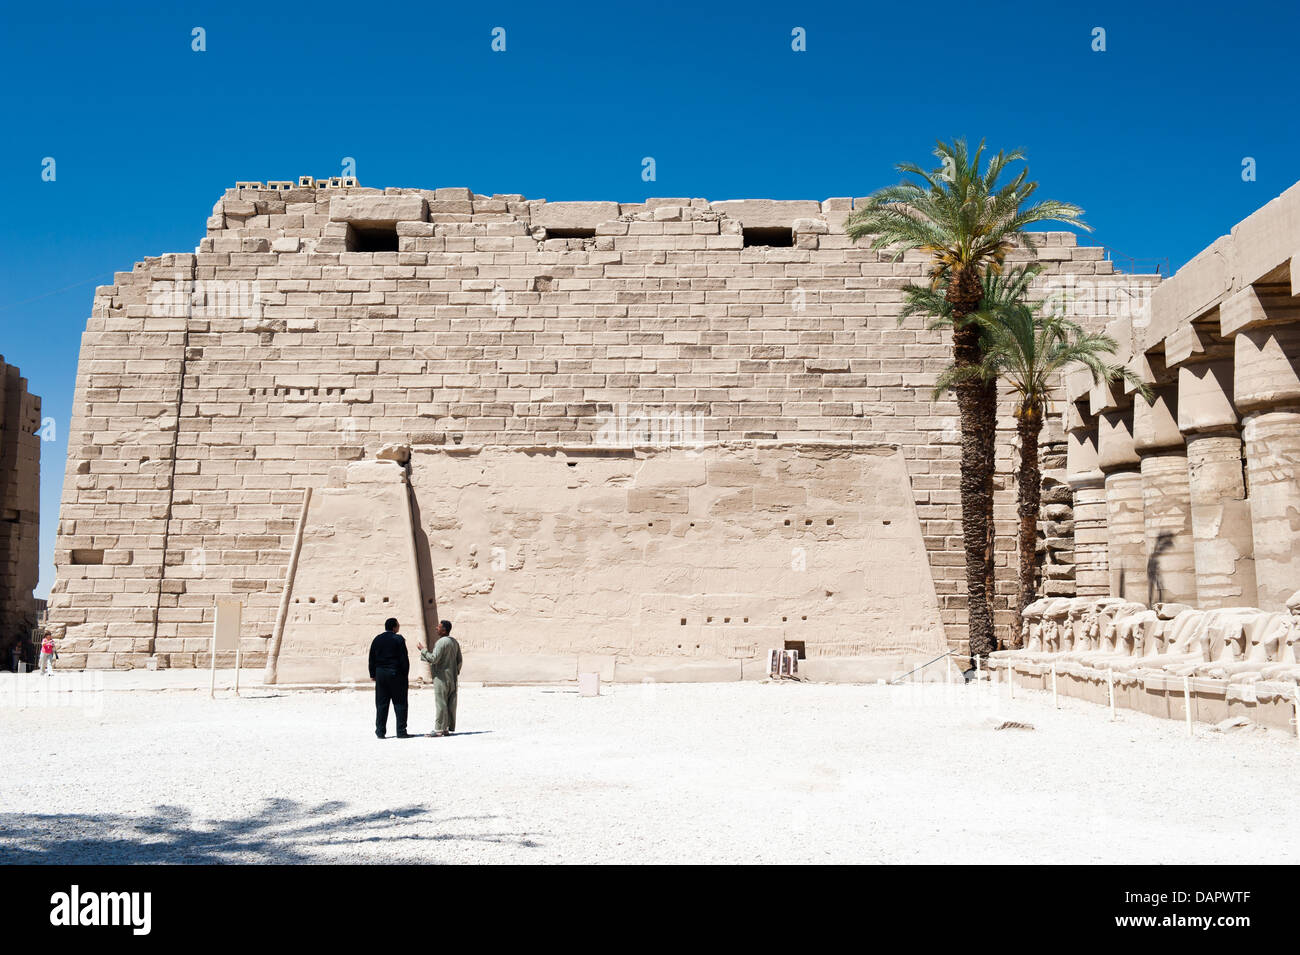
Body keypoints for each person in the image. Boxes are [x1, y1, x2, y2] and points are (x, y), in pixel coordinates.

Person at [418, 620, 462, 737]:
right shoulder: (454, 642)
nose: (436, 628)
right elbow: (459, 661)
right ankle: (446, 728)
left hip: (441, 678)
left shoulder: (441, 642)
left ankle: (438, 730)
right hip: (452, 678)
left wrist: (423, 650)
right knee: (450, 703)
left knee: (441, 703)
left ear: (444, 630)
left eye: (438, 627)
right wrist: (454, 672)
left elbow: (434, 658)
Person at [368, 618, 411, 739]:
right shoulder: (398, 639)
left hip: (380, 674)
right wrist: (405, 675)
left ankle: (380, 731)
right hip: (395, 673)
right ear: (394, 627)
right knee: (400, 703)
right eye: (398, 625)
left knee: (381, 703)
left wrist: (372, 674)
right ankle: (401, 731)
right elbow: (404, 659)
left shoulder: (377, 639)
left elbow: (371, 657)